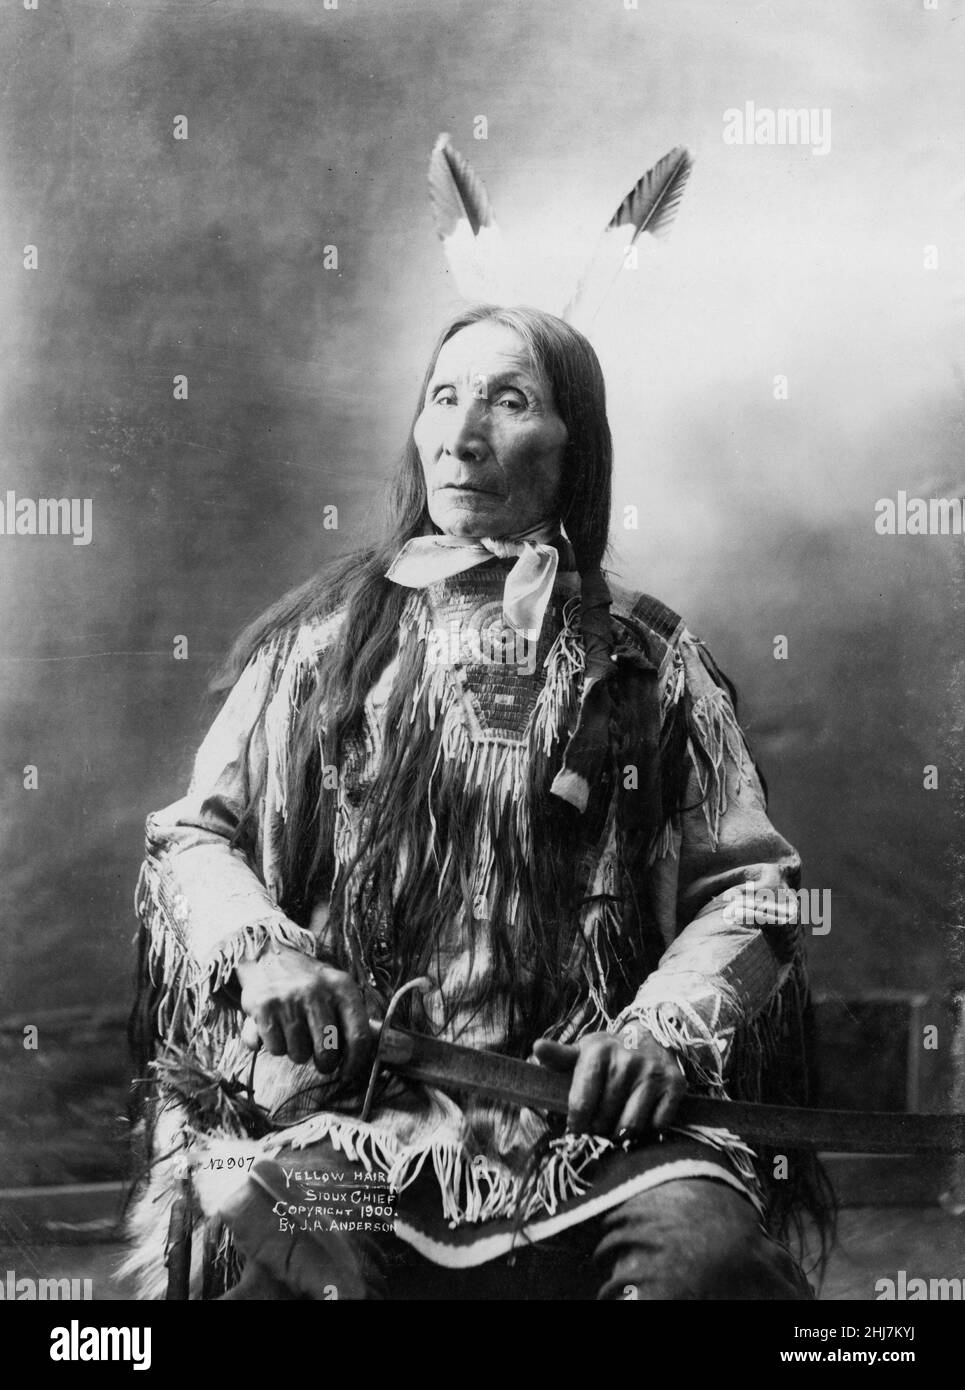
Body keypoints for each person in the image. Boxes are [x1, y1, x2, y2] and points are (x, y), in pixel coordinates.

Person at [124, 304, 819, 1300]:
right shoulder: (329, 644)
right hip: (365, 1122)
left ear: (571, 440)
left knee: (704, 1265)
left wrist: (657, 1032)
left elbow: (750, 890)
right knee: (288, 1270)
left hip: (597, 1140)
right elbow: (192, 838)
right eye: (443, 397)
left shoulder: (645, 661)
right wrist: (263, 949)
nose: (461, 433)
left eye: (508, 400)